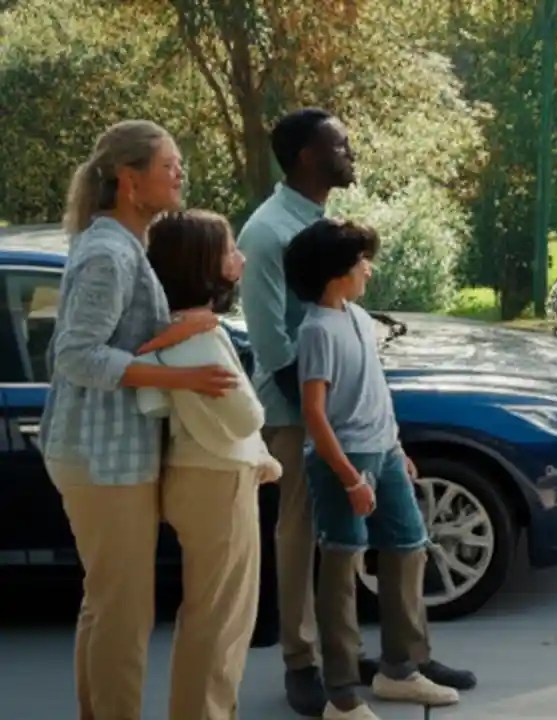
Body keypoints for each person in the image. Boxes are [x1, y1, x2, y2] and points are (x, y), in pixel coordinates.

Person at [238, 107, 473, 716]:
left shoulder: (322, 226)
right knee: (304, 538)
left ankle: (401, 658)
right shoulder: (265, 233)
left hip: (348, 415)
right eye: (340, 144)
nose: (351, 153)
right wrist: (323, 424)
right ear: (307, 157)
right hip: (297, 412)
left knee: (390, 535)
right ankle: (304, 663)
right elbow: (270, 341)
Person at [39, 120, 239, 719]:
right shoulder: (108, 251)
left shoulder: (121, 245)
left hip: (106, 453)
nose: (180, 175)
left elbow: (117, 340)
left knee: (106, 606)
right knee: (123, 614)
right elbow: (76, 355)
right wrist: (184, 377)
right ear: (130, 181)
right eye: (169, 166)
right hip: (102, 457)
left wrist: (176, 332)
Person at [285, 218, 460, 720]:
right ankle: (341, 695)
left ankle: (400, 669)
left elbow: (374, 392)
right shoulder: (317, 330)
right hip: (345, 462)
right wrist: (348, 477)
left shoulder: (358, 317)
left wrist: (395, 447)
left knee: (408, 547)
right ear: (336, 272)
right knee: (341, 569)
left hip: (383, 452)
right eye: (362, 260)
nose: (369, 268)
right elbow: (314, 414)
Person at [133, 209, 284, 719]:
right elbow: (248, 416)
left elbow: (154, 402)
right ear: (202, 264)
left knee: (211, 616)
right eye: (229, 250)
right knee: (222, 621)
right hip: (218, 481)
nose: (240, 259)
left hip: (198, 474)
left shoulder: (176, 331)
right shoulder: (197, 336)